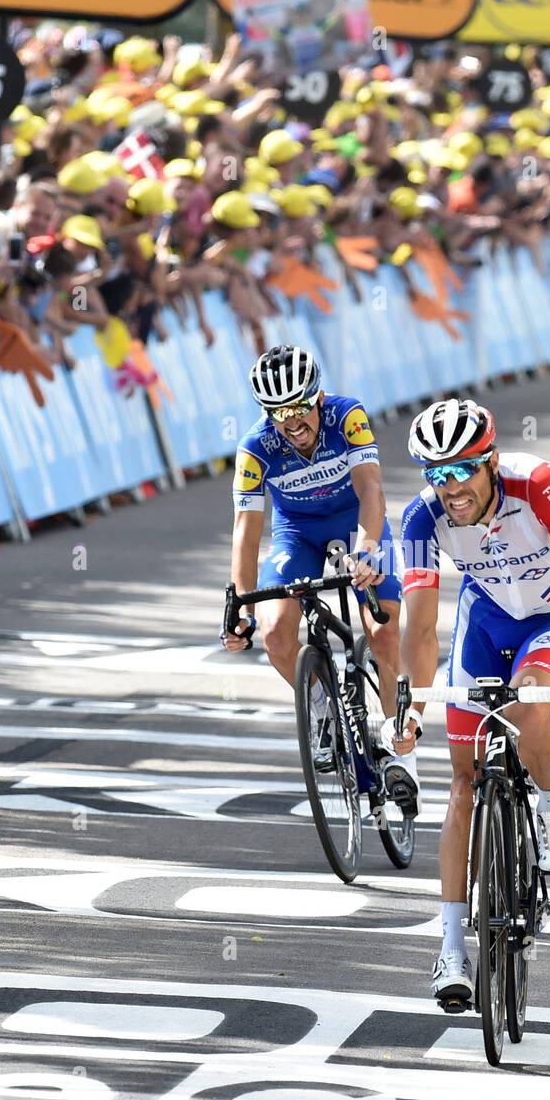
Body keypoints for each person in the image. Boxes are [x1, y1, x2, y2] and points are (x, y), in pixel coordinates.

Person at [393, 398, 550, 1007]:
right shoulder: (419, 520)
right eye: (436, 474)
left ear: (490, 460)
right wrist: (410, 706)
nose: (451, 487)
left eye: (463, 469)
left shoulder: (539, 486)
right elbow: (418, 628)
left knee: (526, 705)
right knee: (462, 784)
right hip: (487, 619)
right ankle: (448, 951)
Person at [221, 343, 419, 816]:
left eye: (298, 408)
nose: (290, 422)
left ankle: (400, 746)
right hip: (298, 534)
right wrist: (239, 608)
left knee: (385, 630)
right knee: (274, 631)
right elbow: (246, 535)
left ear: (318, 397)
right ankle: (320, 706)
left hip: (357, 523)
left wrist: (368, 549)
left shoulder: (347, 416)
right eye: (277, 412)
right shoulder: (254, 449)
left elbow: (371, 489)